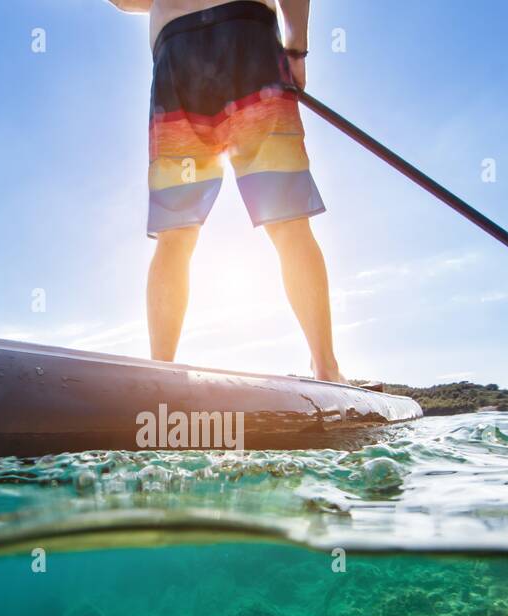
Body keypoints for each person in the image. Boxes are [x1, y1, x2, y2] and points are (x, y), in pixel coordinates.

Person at [108, 0, 345, 383]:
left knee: (175, 234)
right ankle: (326, 367)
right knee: (287, 222)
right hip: (249, 40)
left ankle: (161, 374)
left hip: (177, 52)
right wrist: (296, 50)